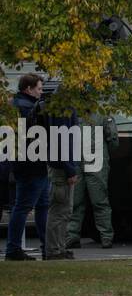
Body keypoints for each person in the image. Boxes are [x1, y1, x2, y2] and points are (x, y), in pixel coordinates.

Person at [5, 75, 51, 261]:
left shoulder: (15, 105)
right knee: (26, 206)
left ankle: (43, 246)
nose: (41, 92)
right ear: (29, 89)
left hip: (24, 162)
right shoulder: (28, 108)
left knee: (38, 205)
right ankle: (16, 248)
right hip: (32, 162)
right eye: (39, 89)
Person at [69, 111, 117, 249]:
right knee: (98, 201)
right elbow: (113, 140)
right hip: (94, 160)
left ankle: (73, 235)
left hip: (82, 160)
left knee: (78, 201)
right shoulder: (102, 114)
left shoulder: (71, 112)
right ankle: (105, 237)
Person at [44, 103, 81, 260]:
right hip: (62, 168)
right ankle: (54, 249)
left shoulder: (62, 107)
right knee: (59, 211)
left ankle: (59, 247)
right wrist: (70, 169)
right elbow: (62, 141)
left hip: (62, 166)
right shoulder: (63, 109)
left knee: (65, 211)